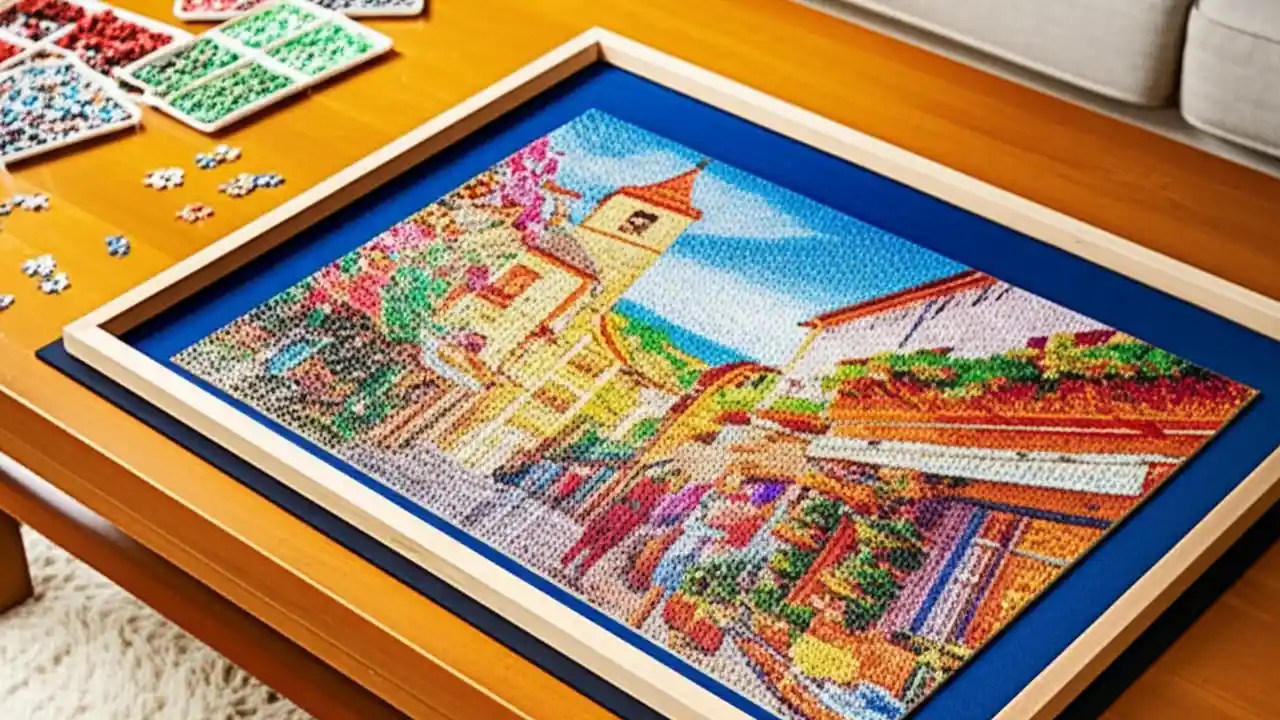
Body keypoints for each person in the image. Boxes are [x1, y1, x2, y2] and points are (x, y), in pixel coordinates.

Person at [561, 472, 667, 580]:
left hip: (623, 517)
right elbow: (630, 500)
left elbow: (631, 501)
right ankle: (573, 566)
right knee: (594, 542)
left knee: (596, 543)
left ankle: (575, 567)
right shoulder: (651, 485)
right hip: (621, 516)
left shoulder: (652, 486)